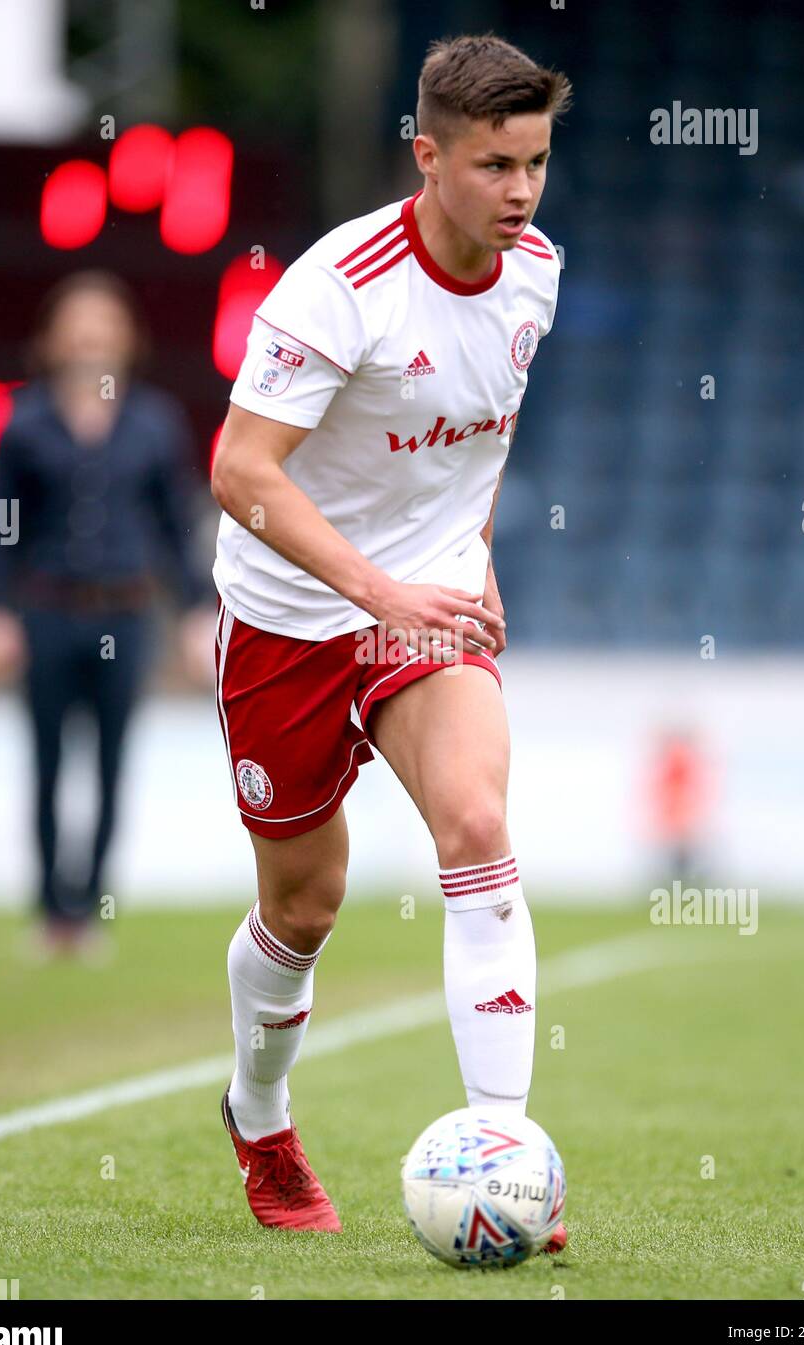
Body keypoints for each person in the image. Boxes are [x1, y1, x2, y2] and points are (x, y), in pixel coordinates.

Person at [211, 34, 570, 1251]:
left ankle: (504, 1158)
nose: (520, 191)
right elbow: (238, 468)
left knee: (476, 827)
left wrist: (468, 563)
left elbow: (477, 434)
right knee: (306, 906)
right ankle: (259, 1114)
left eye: (535, 162)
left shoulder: (537, 272)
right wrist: (374, 589)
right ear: (426, 155)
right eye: (492, 164)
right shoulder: (337, 285)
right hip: (292, 615)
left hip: (428, 605)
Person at [0, 271, 213, 959]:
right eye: (76, 325)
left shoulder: (154, 422)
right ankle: (52, 912)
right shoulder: (22, 424)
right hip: (47, 612)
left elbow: (174, 526)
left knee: (112, 765)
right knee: (47, 766)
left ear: (125, 339)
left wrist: (197, 610)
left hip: (125, 615)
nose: (89, 338)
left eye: (103, 324)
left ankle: (92, 909)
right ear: (51, 340)